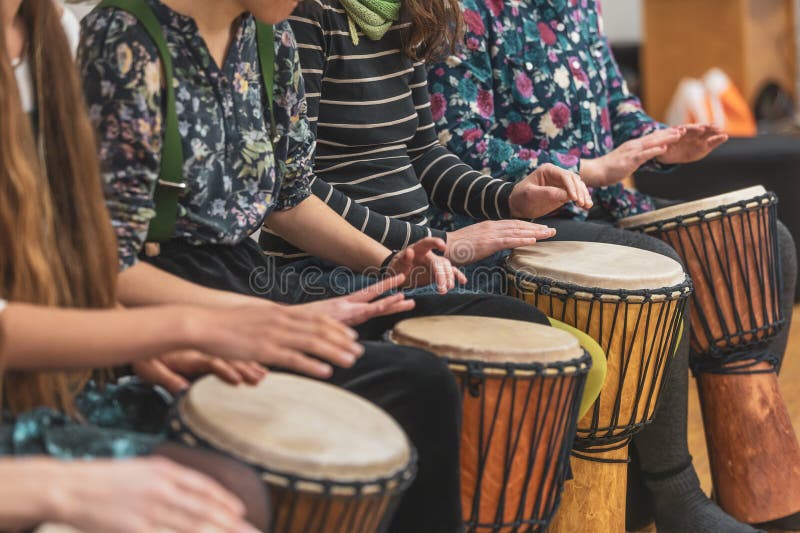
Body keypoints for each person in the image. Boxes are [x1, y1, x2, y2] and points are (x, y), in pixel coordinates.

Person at [78, 1, 557, 531]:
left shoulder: (268, 38)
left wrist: (392, 262)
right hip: (165, 293)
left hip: (254, 277)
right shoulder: (123, 39)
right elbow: (105, 262)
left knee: (504, 320)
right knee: (420, 382)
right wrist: (260, 317)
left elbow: (289, 201)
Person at [426, 1, 798, 532]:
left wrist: (663, 143)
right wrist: (590, 170)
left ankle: (755, 469)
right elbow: (457, 145)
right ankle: (672, 489)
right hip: (511, 217)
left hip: (604, 207)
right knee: (658, 266)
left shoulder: (580, 4)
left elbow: (617, 106)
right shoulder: (463, 10)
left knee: (773, 242)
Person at [260, 0, 595, 294]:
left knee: (559, 284)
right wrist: (440, 242)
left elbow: (424, 152)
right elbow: (294, 186)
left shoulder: (407, 11)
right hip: (328, 265)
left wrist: (510, 199)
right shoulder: (304, 13)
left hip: (418, 251)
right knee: (518, 318)